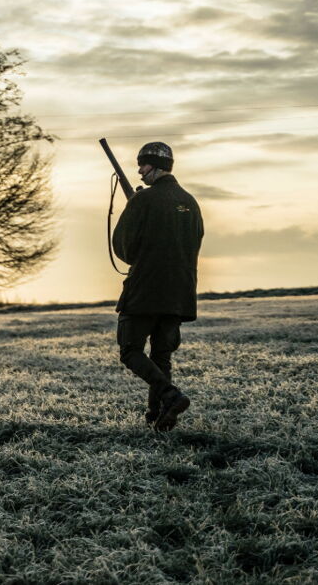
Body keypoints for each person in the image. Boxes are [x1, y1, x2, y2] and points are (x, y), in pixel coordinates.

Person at [112, 141, 204, 431]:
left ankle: (170, 396)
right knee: (161, 355)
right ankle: (158, 416)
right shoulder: (190, 202)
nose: (138, 171)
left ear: (155, 166)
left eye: (143, 164)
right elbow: (194, 243)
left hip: (145, 290)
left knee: (130, 350)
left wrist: (134, 208)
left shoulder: (143, 200)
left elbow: (124, 248)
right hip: (179, 293)